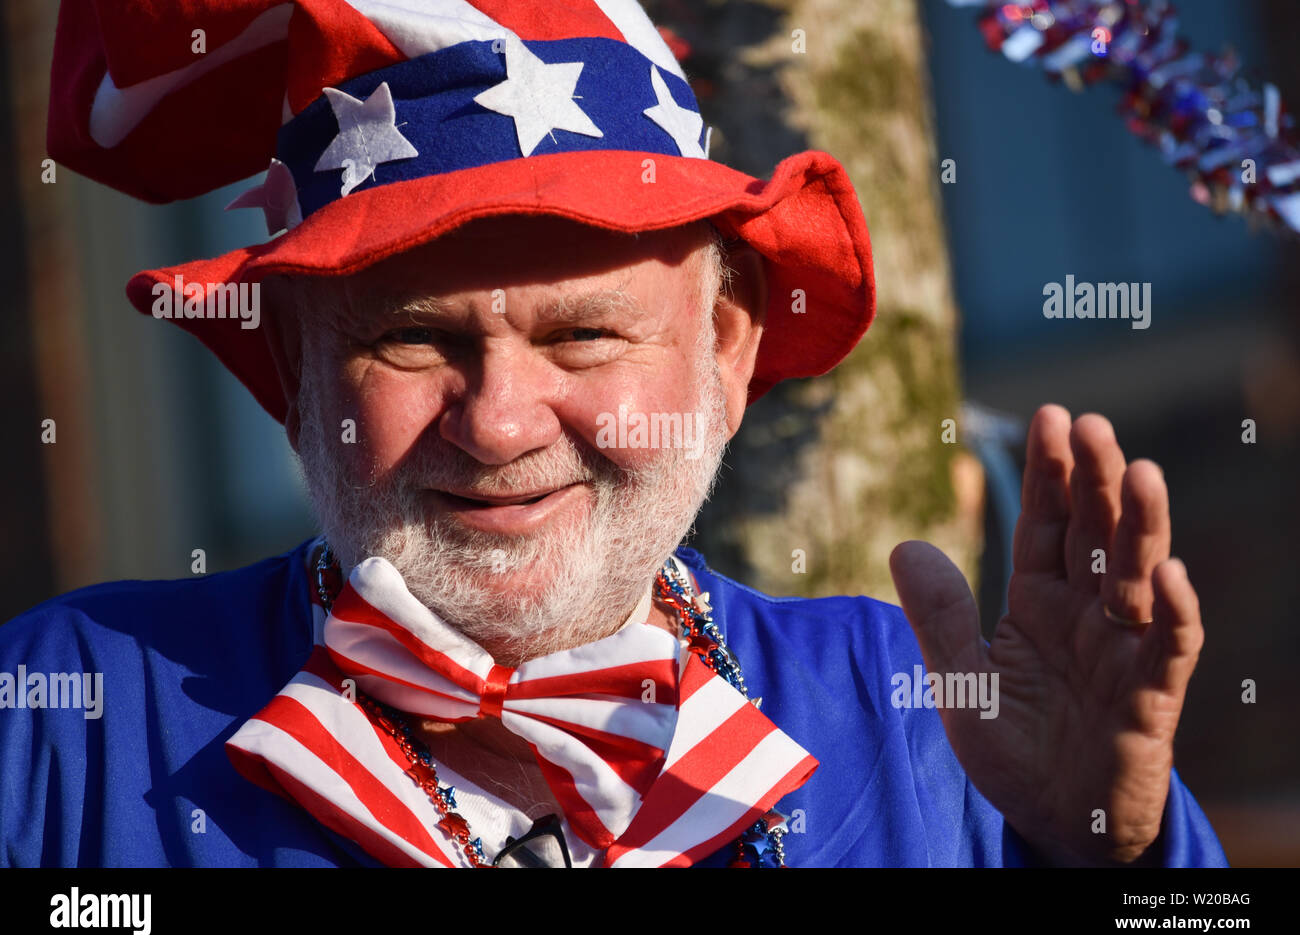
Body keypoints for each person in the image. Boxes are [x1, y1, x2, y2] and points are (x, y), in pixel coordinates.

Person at [1, 0, 1225, 867]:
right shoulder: (67, 721)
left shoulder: (928, 713)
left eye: (584, 337)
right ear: (293, 365)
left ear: (727, 349)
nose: (498, 424)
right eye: (414, 342)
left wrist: (1108, 857)